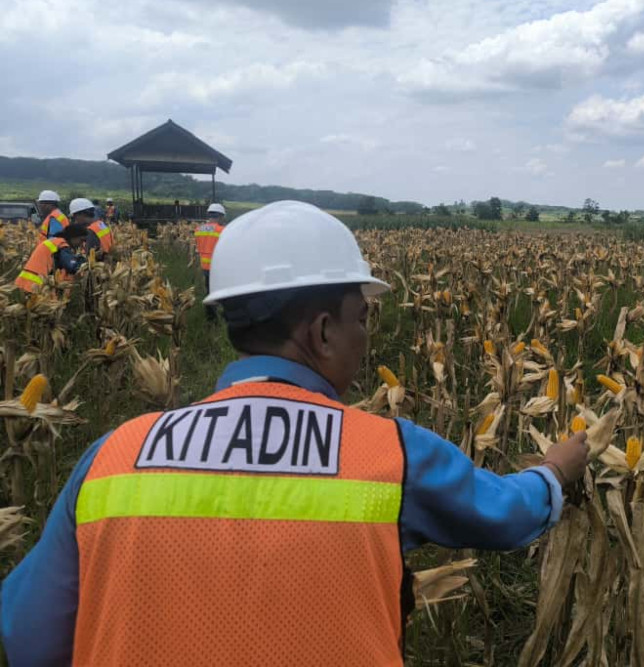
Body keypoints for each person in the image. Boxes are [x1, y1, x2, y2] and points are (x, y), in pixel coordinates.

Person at [0, 200, 589, 666]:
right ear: (324, 331)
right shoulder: (389, 452)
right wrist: (554, 473)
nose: (367, 337)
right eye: (363, 318)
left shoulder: (113, 455)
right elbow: (504, 515)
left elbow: (29, 639)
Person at [15, 218, 87, 293]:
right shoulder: (61, 245)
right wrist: (82, 263)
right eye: (81, 240)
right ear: (73, 237)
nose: (81, 244)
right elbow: (71, 266)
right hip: (35, 285)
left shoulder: (55, 241)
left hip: (26, 283)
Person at [195, 203, 226, 321]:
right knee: (222, 292)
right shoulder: (221, 230)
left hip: (205, 266)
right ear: (220, 216)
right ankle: (220, 318)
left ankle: (211, 318)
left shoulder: (199, 229)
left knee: (209, 292)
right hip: (218, 266)